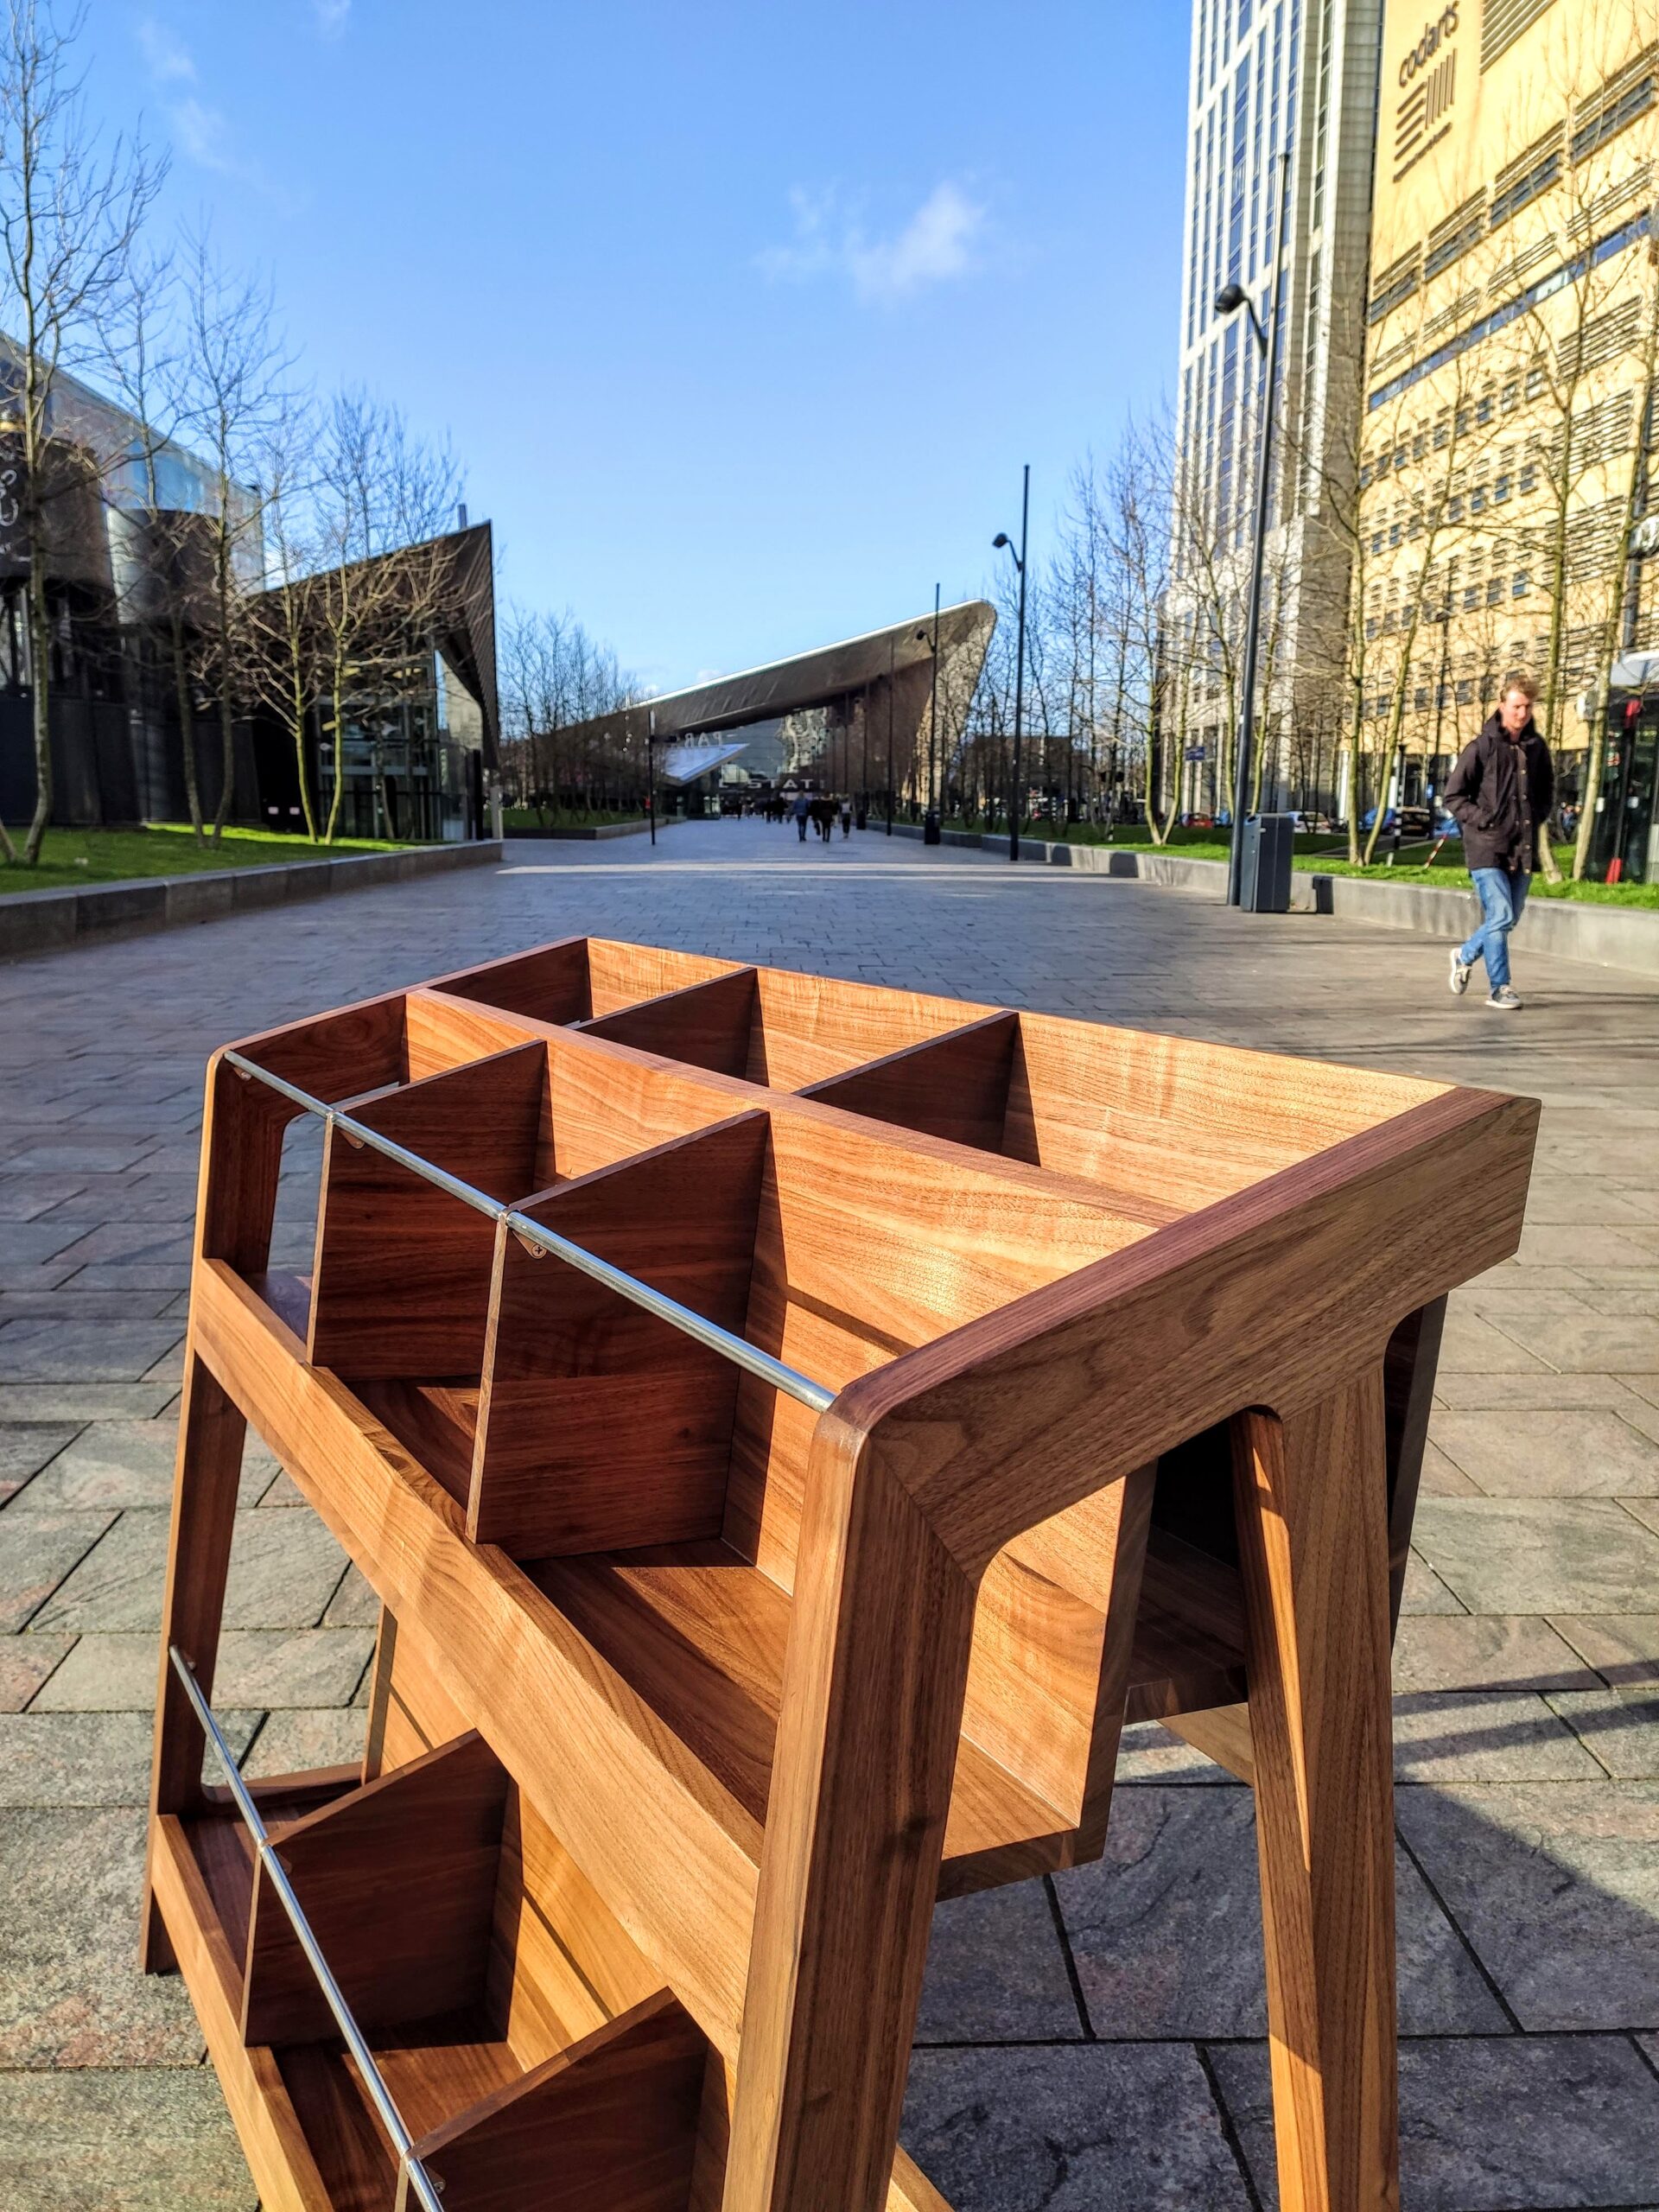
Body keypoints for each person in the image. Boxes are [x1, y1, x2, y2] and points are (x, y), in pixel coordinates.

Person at [1444, 676, 1554, 1012]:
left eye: (1527, 706)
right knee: (1501, 913)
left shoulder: (1536, 748)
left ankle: (1464, 955)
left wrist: (1536, 817)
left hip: (1522, 847)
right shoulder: (1481, 747)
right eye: (1516, 706)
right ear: (1502, 706)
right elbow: (1454, 796)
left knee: (1508, 918)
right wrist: (1484, 821)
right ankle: (1500, 988)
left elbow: (1546, 792)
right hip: (1486, 846)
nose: (1522, 713)